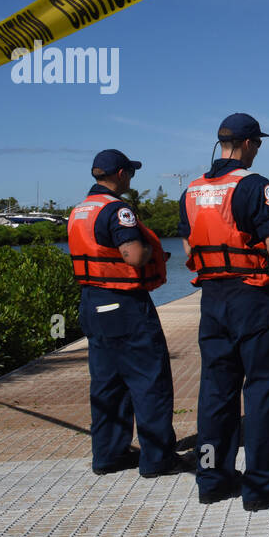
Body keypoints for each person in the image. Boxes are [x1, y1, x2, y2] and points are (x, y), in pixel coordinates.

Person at [180, 114, 269, 512]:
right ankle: (259, 488)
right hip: (253, 297)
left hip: (213, 299)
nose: (258, 150)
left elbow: (189, 251)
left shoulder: (192, 190)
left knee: (215, 392)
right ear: (250, 143)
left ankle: (212, 481)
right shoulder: (255, 186)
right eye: (258, 143)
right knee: (262, 390)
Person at [68, 150, 187, 477]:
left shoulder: (80, 210)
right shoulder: (117, 210)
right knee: (149, 381)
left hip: (92, 302)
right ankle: (158, 459)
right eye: (130, 173)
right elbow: (132, 255)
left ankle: (108, 455)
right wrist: (152, 252)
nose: (131, 179)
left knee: (107, 384)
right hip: (124, 304)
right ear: (120, 174)